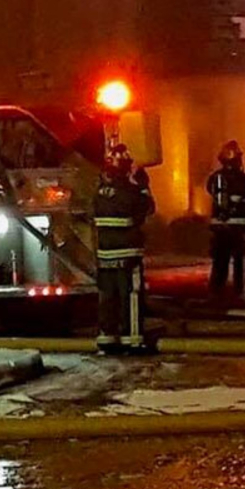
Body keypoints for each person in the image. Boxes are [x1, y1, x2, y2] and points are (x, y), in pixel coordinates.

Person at [94, 144, 154, 351]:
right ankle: (133, 339)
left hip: (105, 256)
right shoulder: (131, 192)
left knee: (108, 297)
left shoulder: (99, 193)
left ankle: (107, 338)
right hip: (129, 255)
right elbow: (147, 209)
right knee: (132, 295)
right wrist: (144, 186)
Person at [206, 140, 245, 300]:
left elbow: (213, 194)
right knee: (242, 261)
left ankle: (215, 292)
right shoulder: (244, 180)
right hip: (239, 228)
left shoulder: (215, 178)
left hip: (219, 228)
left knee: (220, 262)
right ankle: (243, 292)